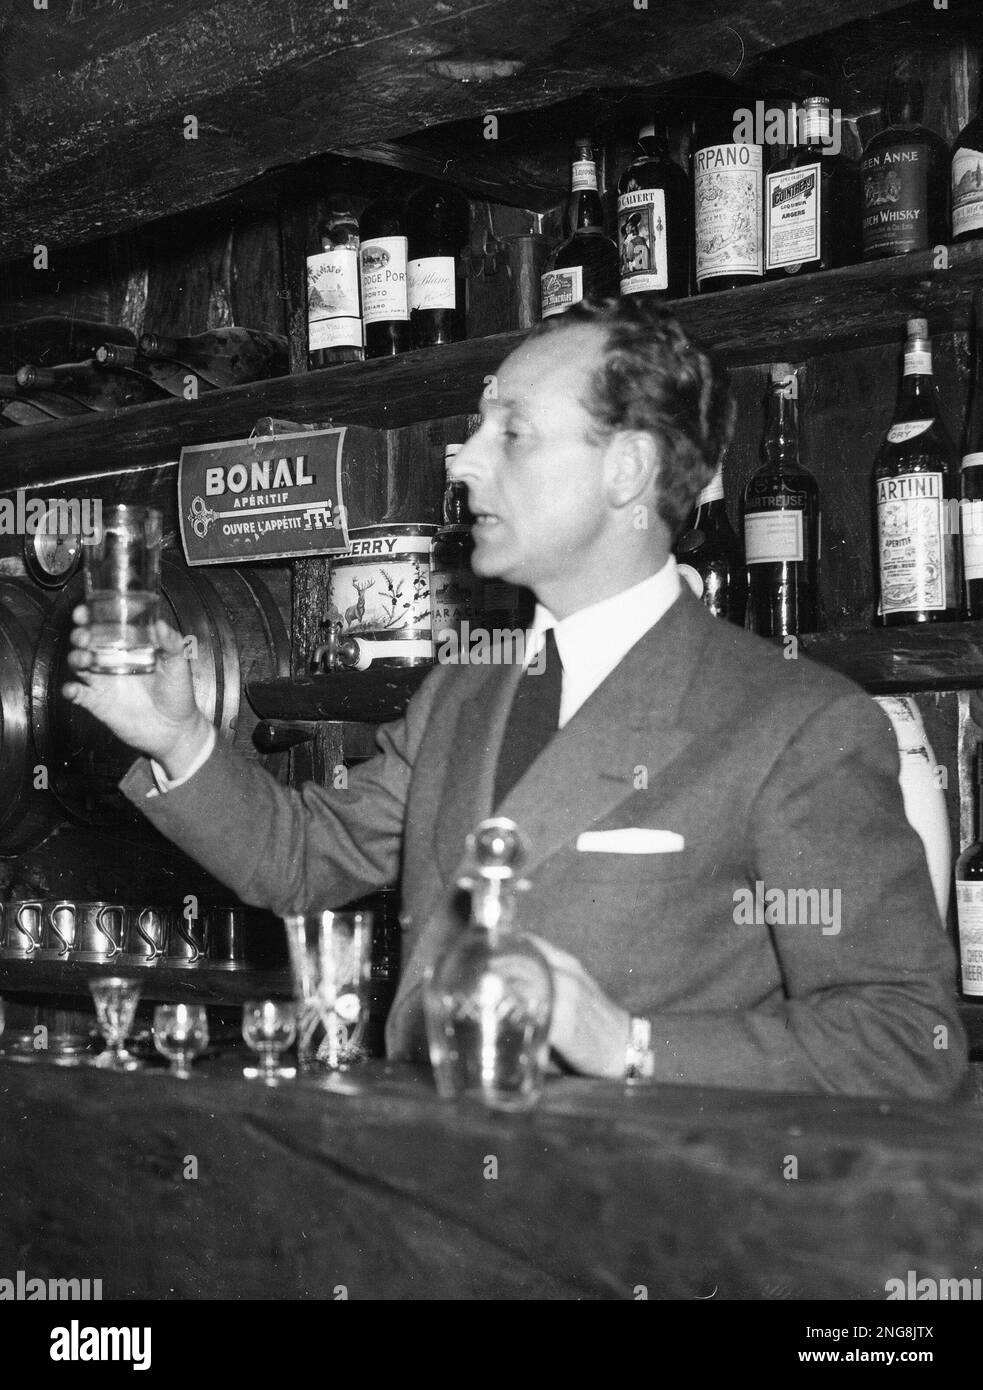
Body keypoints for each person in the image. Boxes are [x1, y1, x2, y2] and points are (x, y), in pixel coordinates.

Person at [64, 298, 966, 1098]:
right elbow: (306, 862)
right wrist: (177, 736)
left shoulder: (796, 722)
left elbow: (902, 1038)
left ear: (625, 471)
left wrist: (629, 1043)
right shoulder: (466, 686)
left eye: (513, 433)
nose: (466, 463)